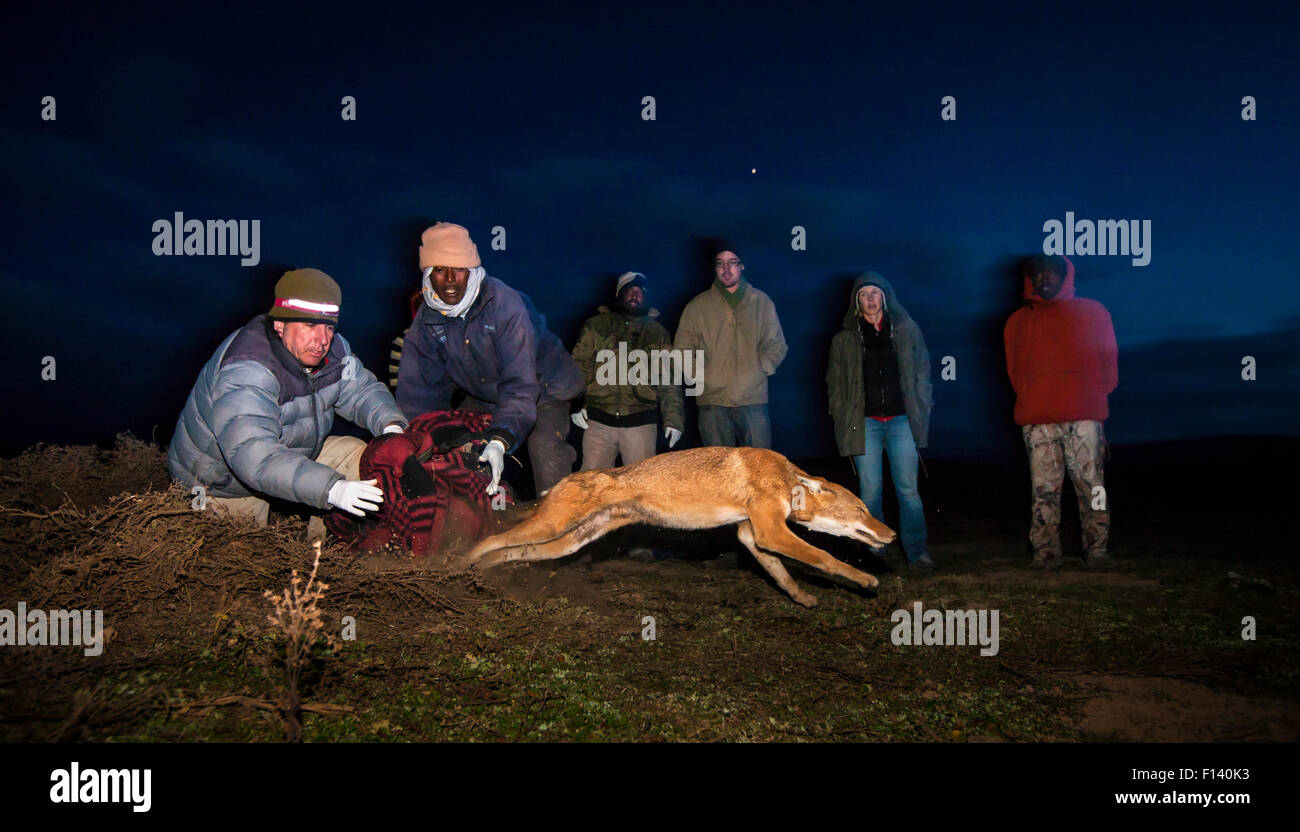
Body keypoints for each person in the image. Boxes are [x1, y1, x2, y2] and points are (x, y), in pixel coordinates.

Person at [167, 268, 407, 537]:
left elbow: (362, 390)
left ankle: (328, 555)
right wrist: (331, 489)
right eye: (310, 326)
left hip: (289, 451)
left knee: (357, 455)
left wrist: (392, 428)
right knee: (240, 566)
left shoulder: (334, 353)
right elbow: (255, 457)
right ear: (280, 325)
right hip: (222, 482)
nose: (322, 340)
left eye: (329, 327)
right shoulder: (248, 369)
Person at [396, 222, 584, 498]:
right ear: (427, 274)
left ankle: (561, 522)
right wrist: (415, 446)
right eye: (438, 269)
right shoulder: (426, 322)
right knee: (461, 446)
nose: (449, 279)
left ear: (471, 271)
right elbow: (419, 396)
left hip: (543, 387)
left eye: (458, 269)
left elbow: (520, 385)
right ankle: (482, 518)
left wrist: (499, 439)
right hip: (485, 393)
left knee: (545, 451)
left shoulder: (505, 305)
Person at [1004, 254, 1118, 568]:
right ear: (1031, 279)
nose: (1046, 278)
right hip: (1038, 418)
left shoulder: (1094, 312)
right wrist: (1035, 396)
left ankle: (1098, 551)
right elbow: (1015, 371)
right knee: (1044, 489)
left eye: (1053, 272)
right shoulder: (1017, 321)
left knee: (1092, 485)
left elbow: (1110, 364)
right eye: (1039, 273)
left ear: (1065, 277)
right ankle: (1046, 554)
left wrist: (1091, 397)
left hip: (1085, 414)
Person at [827, 272, 935, 571]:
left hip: (902, 421)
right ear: (856, 301)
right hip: (865, 425)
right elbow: (834, 385)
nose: (871, 299)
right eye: (864, 294)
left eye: (875, 293)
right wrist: (841, 416)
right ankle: (874, 554)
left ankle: (918, 553)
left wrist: (923, 403)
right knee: (870, 492)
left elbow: (923, 369)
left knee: (908, 491)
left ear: (885, 297)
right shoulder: (844, 339)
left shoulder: (906, 330)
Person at [673, 244, 787, 448]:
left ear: (742, 266)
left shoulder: (762, 302)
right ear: (714, 269)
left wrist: (761, 368)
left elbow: (777, 344)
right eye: (720, 264)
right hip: (712, 402)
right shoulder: (698, 306)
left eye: (732, 263)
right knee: (720, 471)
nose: (726, 269)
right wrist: (702, 376)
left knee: (759, 469)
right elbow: (682, 349)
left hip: (753, 401)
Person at [571, 271, 685, 468]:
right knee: (591, 487)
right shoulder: (595, 325)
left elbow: (668, 379)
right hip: (598, 423)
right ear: (619, 294)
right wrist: (576, 404)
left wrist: (674, 419)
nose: (635, 295)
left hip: (641, 425)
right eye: (629, 290)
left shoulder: (657, 332)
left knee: (640, 490)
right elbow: (578, 368)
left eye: (640, 291)